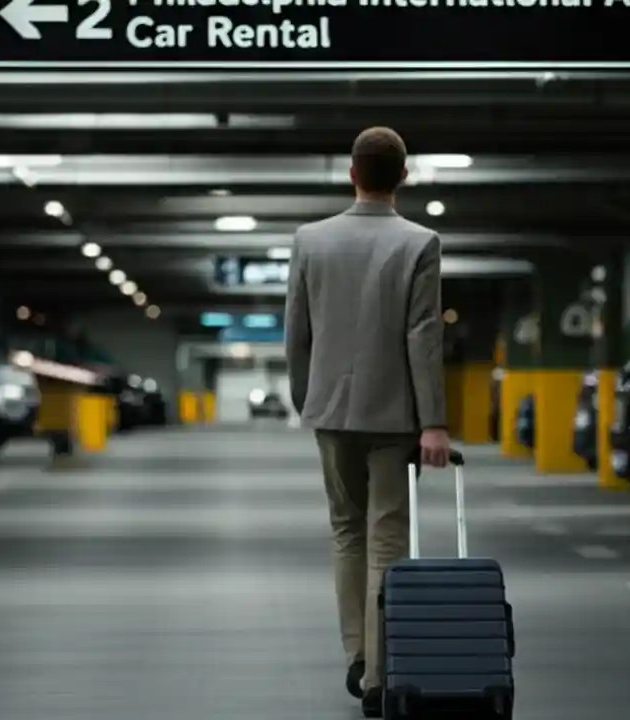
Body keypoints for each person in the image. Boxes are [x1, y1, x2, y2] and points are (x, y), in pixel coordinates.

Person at [284, 126, 452, 717]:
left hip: (331, 411)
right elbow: (423, 336)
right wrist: (433, 422)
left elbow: (297, 333)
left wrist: (309, 399)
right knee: (388, 539)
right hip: (396, 414)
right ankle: (382, 672)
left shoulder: (310, 240)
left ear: (351, 173)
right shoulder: (420, 242)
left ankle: (356, 654)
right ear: (403, 178)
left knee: (346, 532)